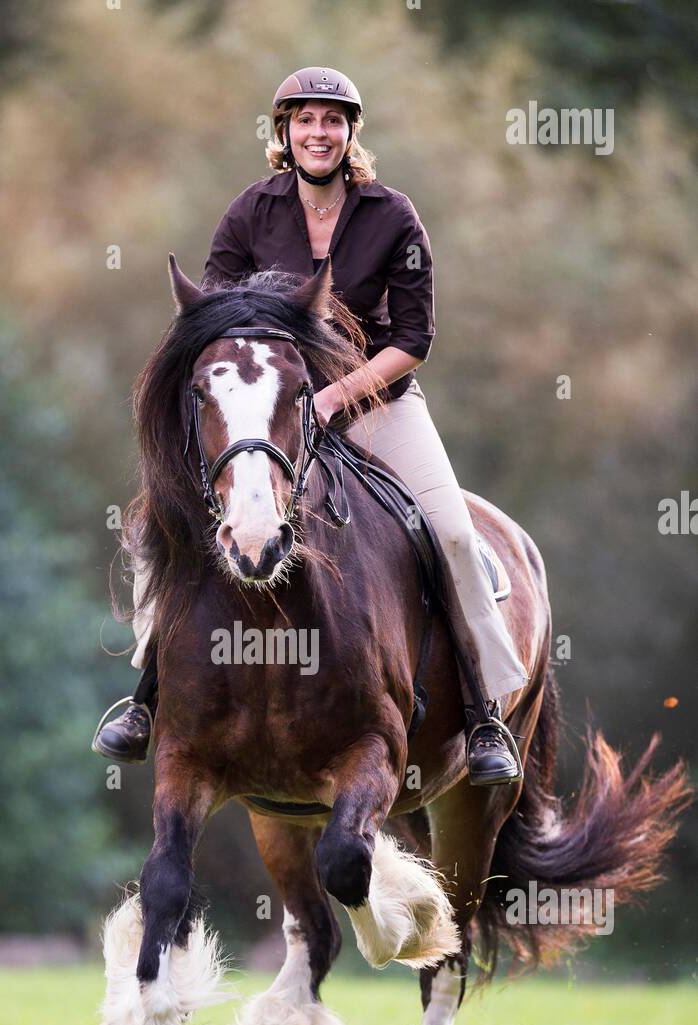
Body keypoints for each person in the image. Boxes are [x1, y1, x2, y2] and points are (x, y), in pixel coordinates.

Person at [94, 65, 527, 784]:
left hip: (374, 404)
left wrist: (335, 398)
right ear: (283, 133)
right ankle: (146, 696)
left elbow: (413, 339)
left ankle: (484, 715)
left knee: (450, 529)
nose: (318, 133)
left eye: (332, 121)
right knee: (155, 526)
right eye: (304, 120)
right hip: (268, 409)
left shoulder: (392, 216)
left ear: (351, 133)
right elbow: (216, 322)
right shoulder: (249, 213)